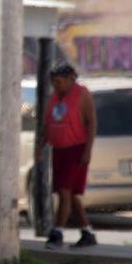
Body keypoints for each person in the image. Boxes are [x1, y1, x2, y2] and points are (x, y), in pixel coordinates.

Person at [42, 63, 98, 249]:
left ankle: (57, 233)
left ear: (70, 79)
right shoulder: (54, 96)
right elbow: (47, 124)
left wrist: (88, 150)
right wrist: (40, 147)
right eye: (53, 82)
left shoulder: (82, 94)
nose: (56, 86)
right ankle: (87, 233)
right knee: (71, 195)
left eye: (59, 82)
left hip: (76, 149)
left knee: (65, 191)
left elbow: (91, 122)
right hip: (59, 150)